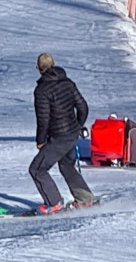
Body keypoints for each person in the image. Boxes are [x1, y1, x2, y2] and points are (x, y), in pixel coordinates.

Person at [30, 53, 96, 212]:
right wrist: (77, 125)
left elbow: (43, 119)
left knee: (37, 169)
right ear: (54, 64)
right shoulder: (68, 83)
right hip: (72, 134)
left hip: (59, 137)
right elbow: (83, 107)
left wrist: (40, 140)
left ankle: (53, 202)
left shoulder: (42, 90)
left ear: (38, 68)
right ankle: (85, 198)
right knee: (67, 165)